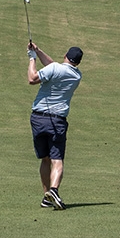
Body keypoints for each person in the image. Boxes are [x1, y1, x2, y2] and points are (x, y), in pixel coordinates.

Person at [28, 40, 83, 210]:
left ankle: (49, 194)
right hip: (57, 121)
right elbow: (53, 66)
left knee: (45, 159)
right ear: (78, 62)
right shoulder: (76, 75)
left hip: (38, 118)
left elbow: (32, 79)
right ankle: (53, 191)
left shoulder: (55, 69)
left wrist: (32, 58)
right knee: (57, 159)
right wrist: (38, 50)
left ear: (65, 56)